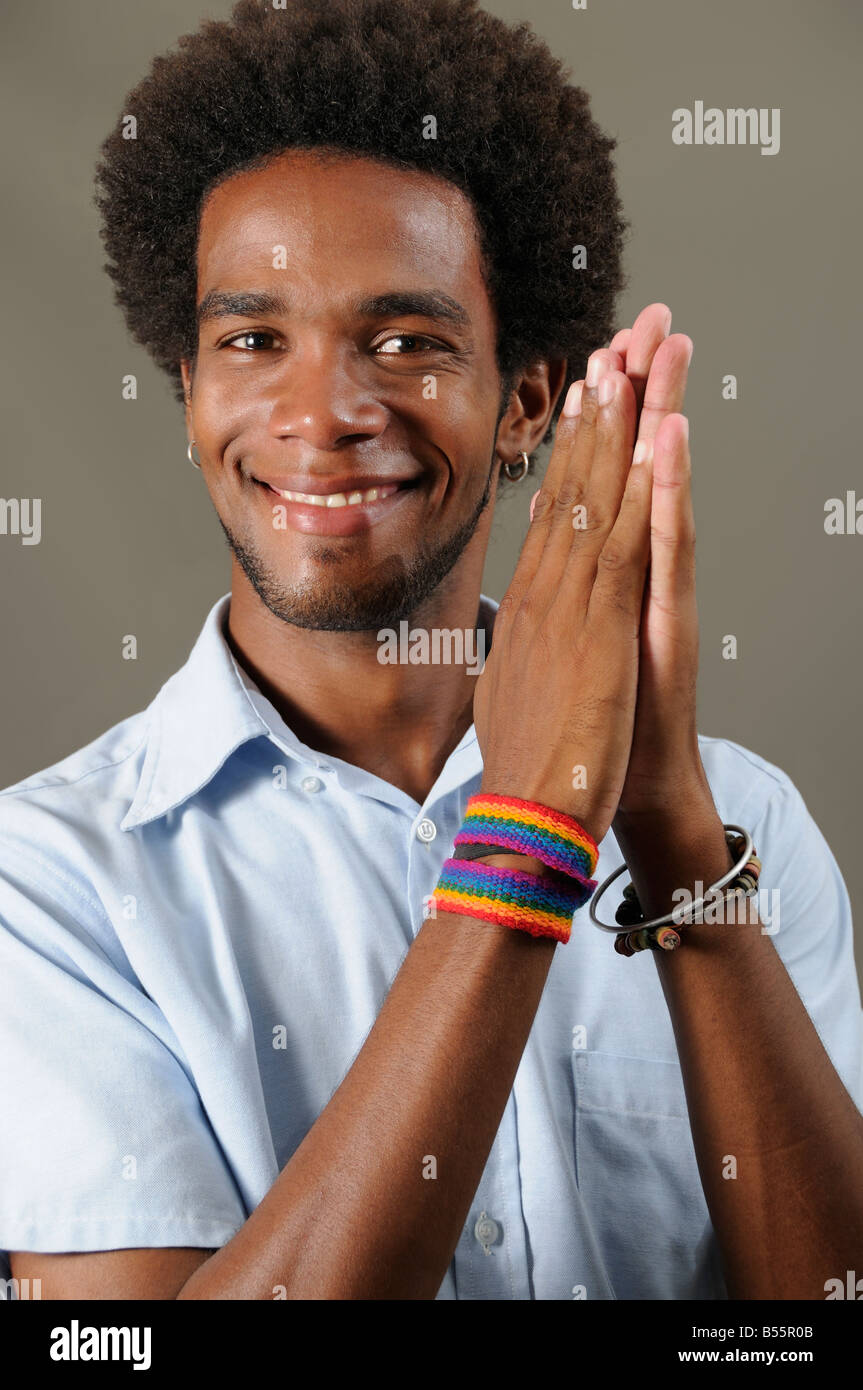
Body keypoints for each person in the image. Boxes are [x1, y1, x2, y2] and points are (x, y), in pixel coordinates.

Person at [2, 0, 862, 1301]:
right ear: (187, 389)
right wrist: (527, 834)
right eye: (252, 340)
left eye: (406, 342)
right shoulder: (47, 883)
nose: (323, 412)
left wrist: (670, 826)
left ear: (525, 400)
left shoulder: (743, 826)